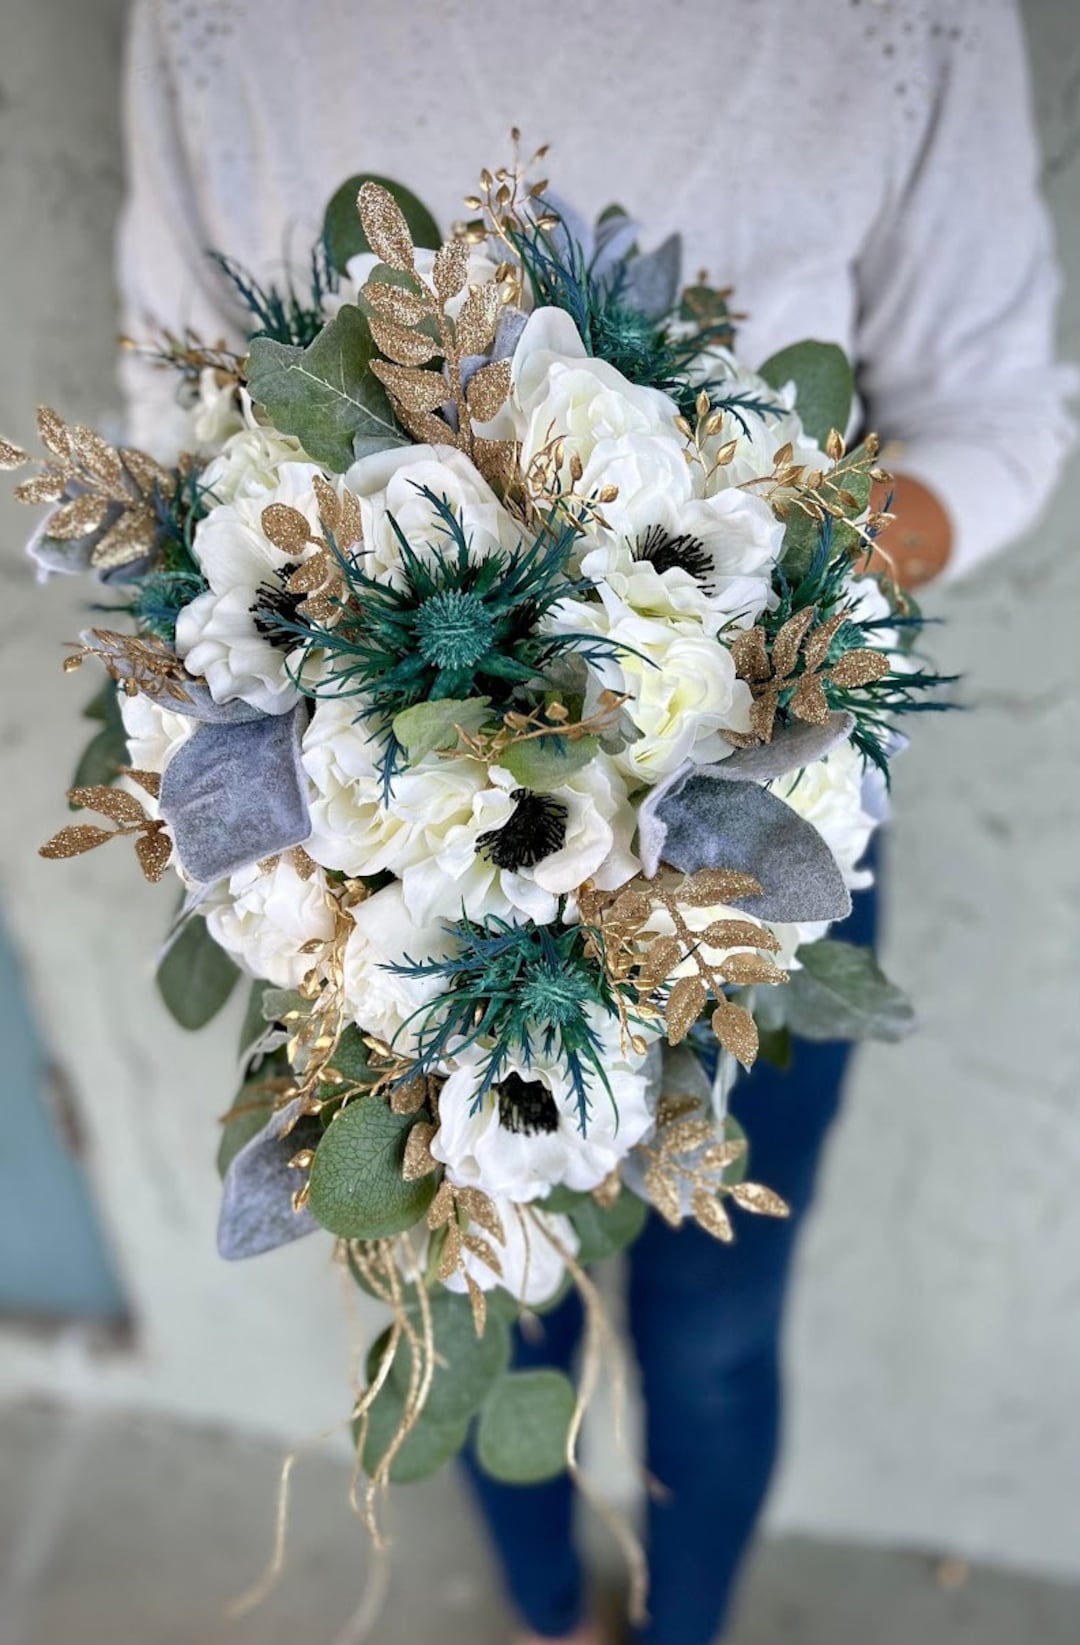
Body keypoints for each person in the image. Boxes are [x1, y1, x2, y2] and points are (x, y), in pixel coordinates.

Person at [118, 3, 1073, 1642]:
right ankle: (556, 1614)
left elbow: (995, 419)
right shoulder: (216, 27)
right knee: (490, 1282)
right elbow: (166, 417)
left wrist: (744, 600)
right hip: (366, 863)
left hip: (760, 841)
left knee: (712, 1316)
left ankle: (683, 1625)